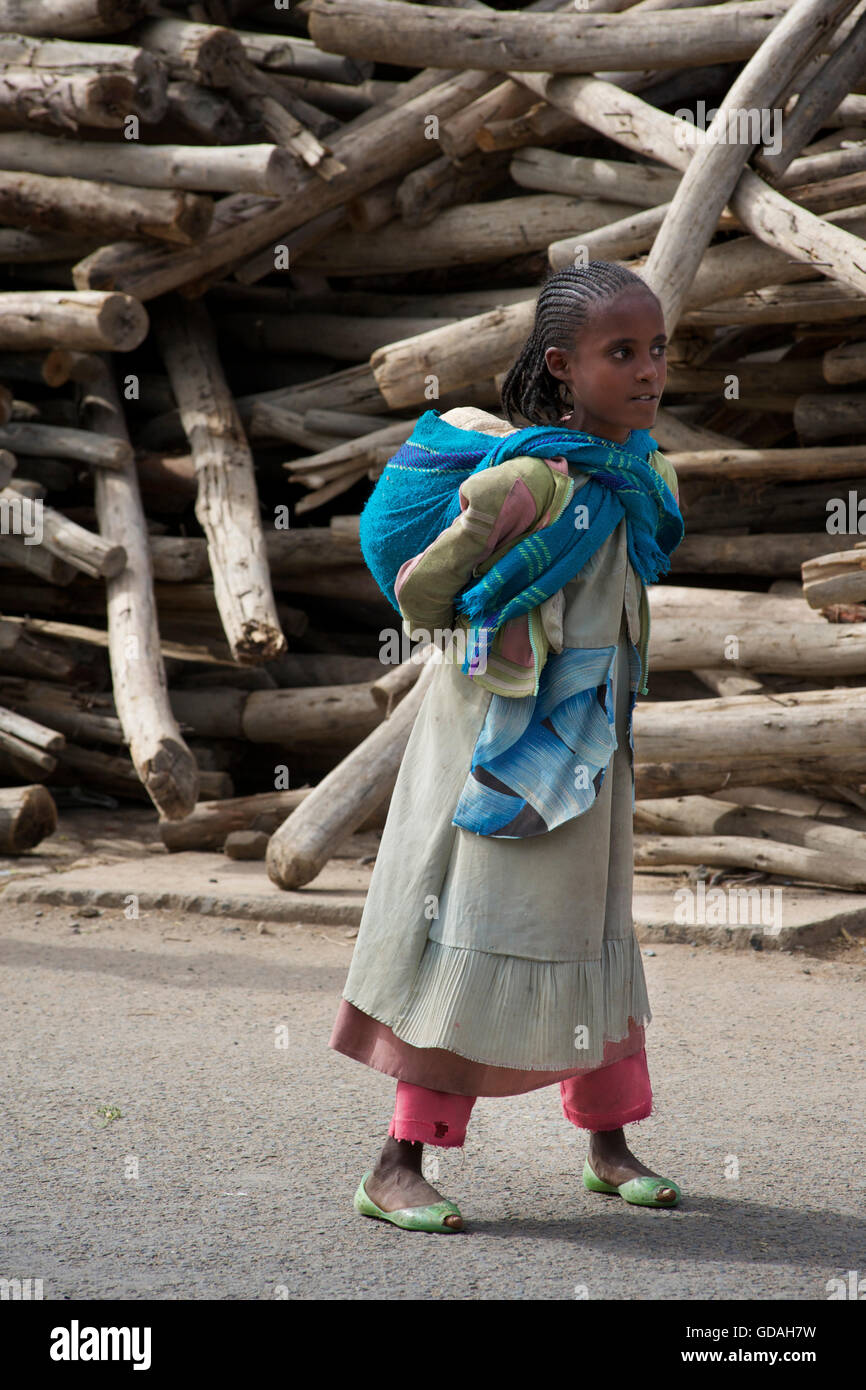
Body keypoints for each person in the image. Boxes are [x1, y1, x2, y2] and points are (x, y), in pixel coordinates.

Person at [329, 261, 684, 1233]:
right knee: (476, 927)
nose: (648, 369)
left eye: (655, 348)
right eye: (622, 352)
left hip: (591, 746)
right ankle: (395, 1162)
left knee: (593, 929)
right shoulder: (527, 479)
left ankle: (607, 1147)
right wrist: (507, 655)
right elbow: (422, 594)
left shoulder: (639, 472)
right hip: (500, 744)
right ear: (562, 367)